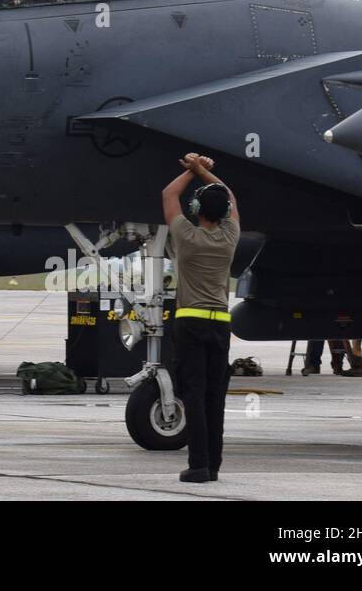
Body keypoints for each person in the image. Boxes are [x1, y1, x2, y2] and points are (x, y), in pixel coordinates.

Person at [162, 152, 240, 483]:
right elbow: (229, 196)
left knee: (193, 394)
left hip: (190, 322)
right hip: (221, 323)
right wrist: (205, 173)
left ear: (196, 211)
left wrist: (191, 171)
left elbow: (169, 195)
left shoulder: (186, 237)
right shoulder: (229, 237)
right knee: (214, 395)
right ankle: (215, 465)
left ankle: (198, 465)